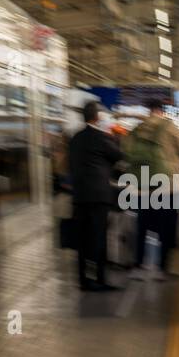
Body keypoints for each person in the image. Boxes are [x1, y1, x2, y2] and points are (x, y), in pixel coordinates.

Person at [124, 98, 179, 280]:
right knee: (167, 227)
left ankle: (139, 266)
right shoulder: (169, 127)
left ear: (148, 110)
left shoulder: (137, 129)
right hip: (167, 188)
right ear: (162, 111)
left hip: (142, 187)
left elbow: (126, 152)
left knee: (142, 226)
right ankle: (162, 269)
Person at [67, 101, 122, 291]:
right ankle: (99, 279)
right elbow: (118, 155)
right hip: (99, 196)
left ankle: (83, 280)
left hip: (80, 195)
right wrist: (115, 136)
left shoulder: (74, 139)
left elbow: (71, 164)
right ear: (97, 118)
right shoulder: (101, 137)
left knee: (82, 239)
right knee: (99, 237)